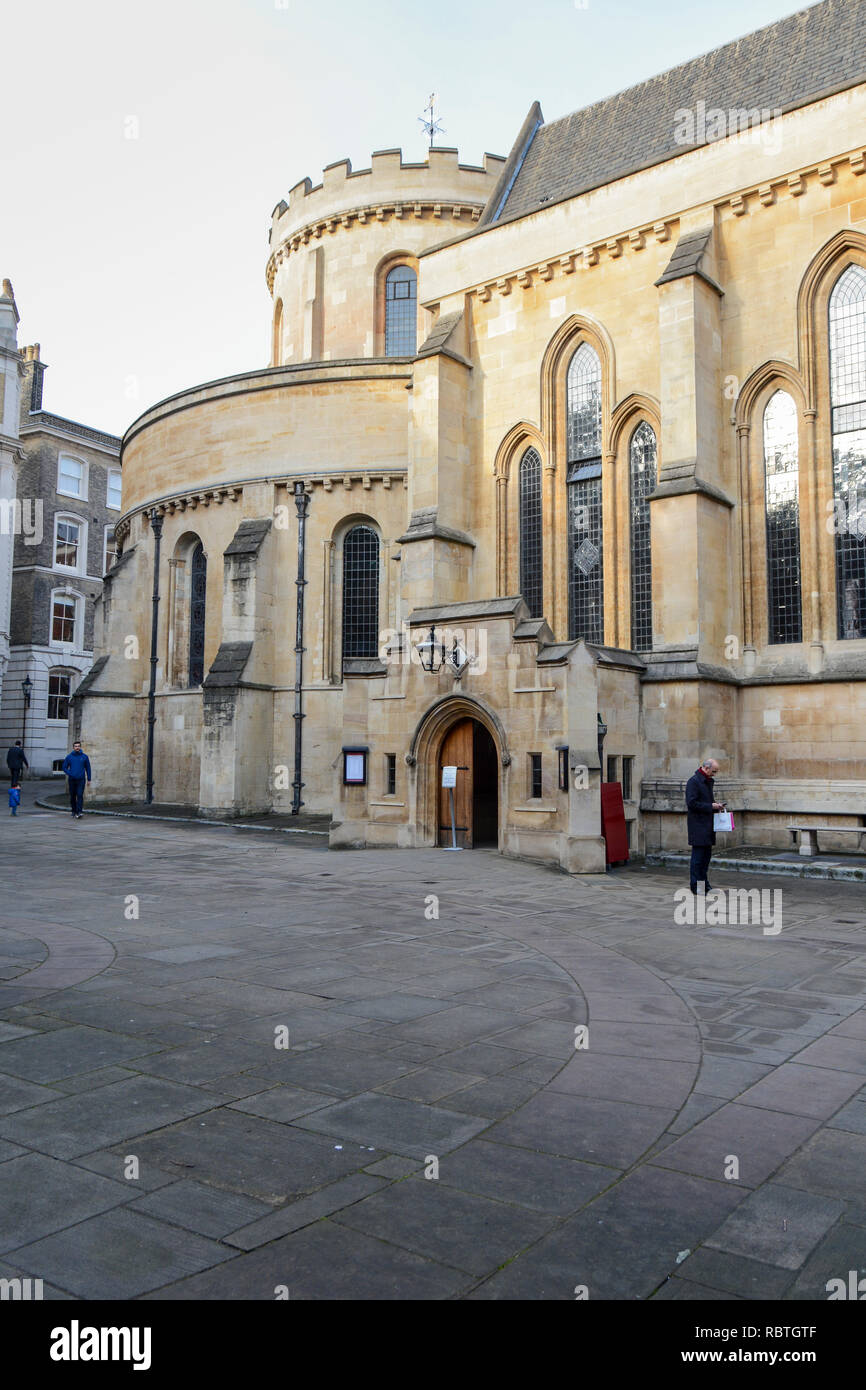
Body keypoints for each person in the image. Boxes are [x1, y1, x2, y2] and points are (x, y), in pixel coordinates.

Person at [685, 757, 725, 895]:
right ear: (706, 768)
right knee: (698, 858)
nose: (714, 774)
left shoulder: (707, 781)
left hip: (707, 824)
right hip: (698, 825)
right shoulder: (694, 782)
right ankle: (696, 886)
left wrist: (716, 806)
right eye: (713, 771)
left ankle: (704, 885)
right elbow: (691, 803)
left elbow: (706, 801)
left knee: (705, 858)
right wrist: (710, 806)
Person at [62, 740, 92, 819]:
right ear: (73, 748)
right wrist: (70, 773)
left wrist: (89, 779)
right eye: (75, 746)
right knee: (72, 796)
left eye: (78, 746)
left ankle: (79, 812)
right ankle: (73, 811)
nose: (77, 747)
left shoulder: (84, 757)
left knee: (79, 795)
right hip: (72, 780)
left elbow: (88, 768)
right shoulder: (69, 757)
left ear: (80, 747)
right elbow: (64, 767)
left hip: (81, 779)